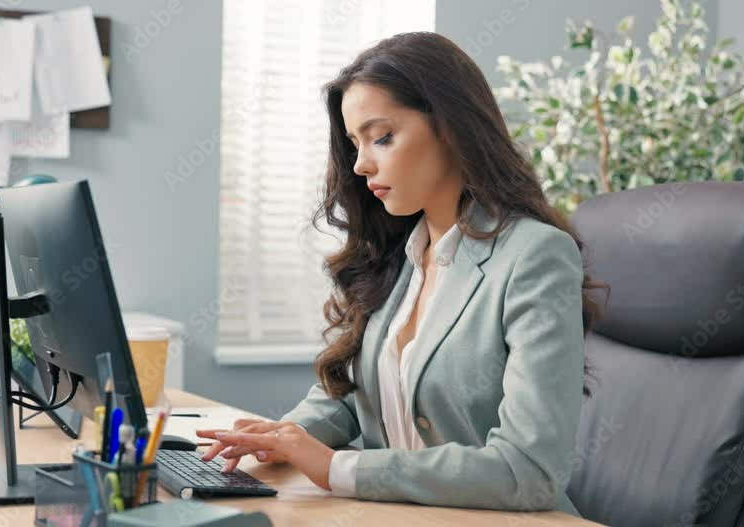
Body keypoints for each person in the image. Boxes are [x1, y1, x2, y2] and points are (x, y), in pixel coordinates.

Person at [198, 32, 606, 515]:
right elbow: (358, 397)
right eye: (354, 143)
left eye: (382, 137)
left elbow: (527, 470)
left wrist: (335, 469)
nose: (361, 163)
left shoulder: (534, 255)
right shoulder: (398, 253)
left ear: (451, 126)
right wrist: (287, 437)